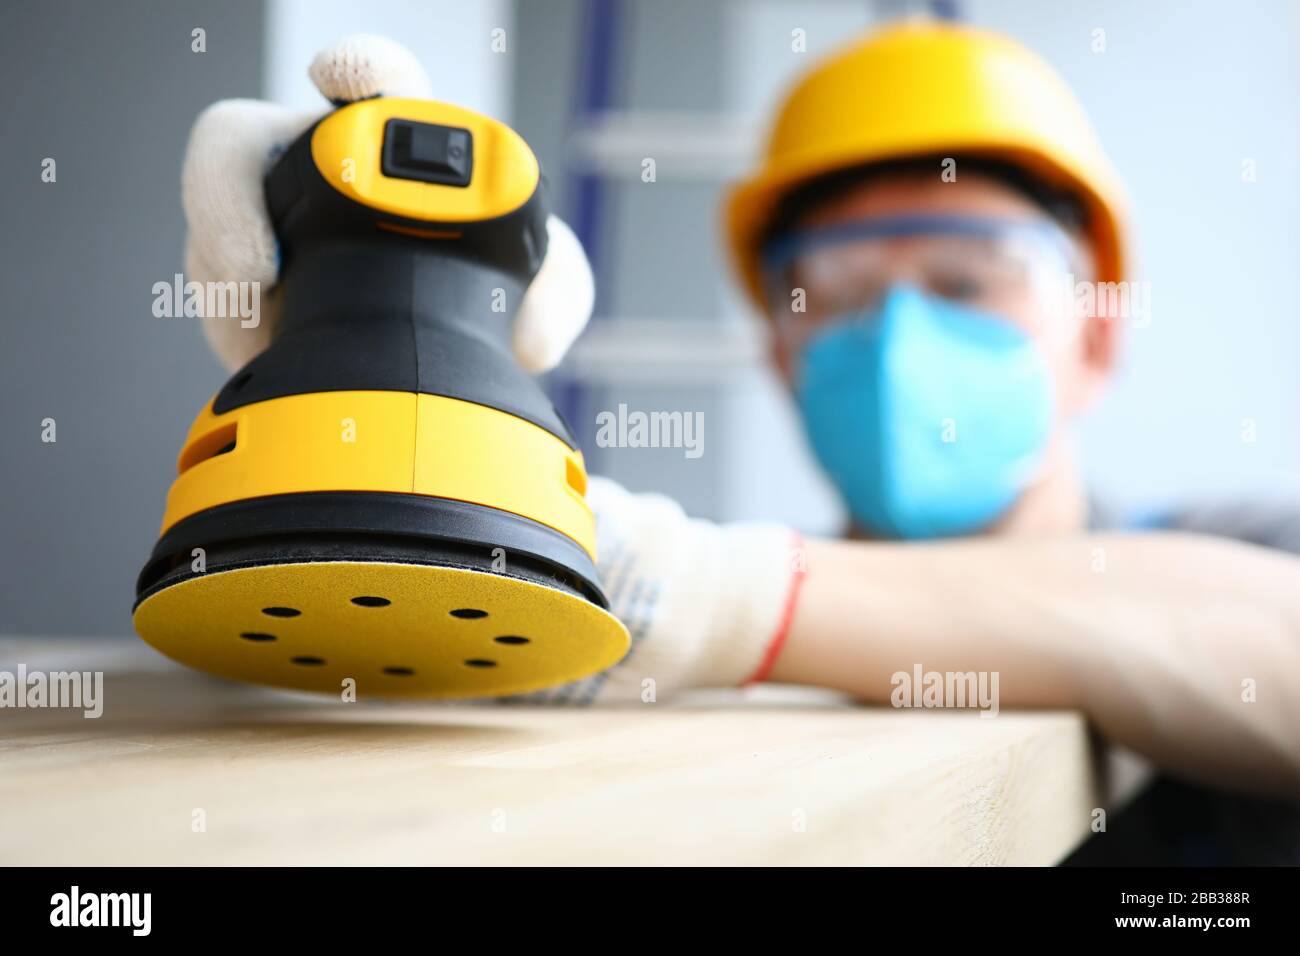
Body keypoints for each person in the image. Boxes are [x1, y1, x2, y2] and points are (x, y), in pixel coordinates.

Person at [181, 29, 1300, 856]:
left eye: (965, 281)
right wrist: (365, 291)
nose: (899, 340)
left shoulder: (1238, 546)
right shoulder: (721, 678)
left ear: (1096, 332)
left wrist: (672, 592)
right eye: (838, 297)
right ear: (778, 351)